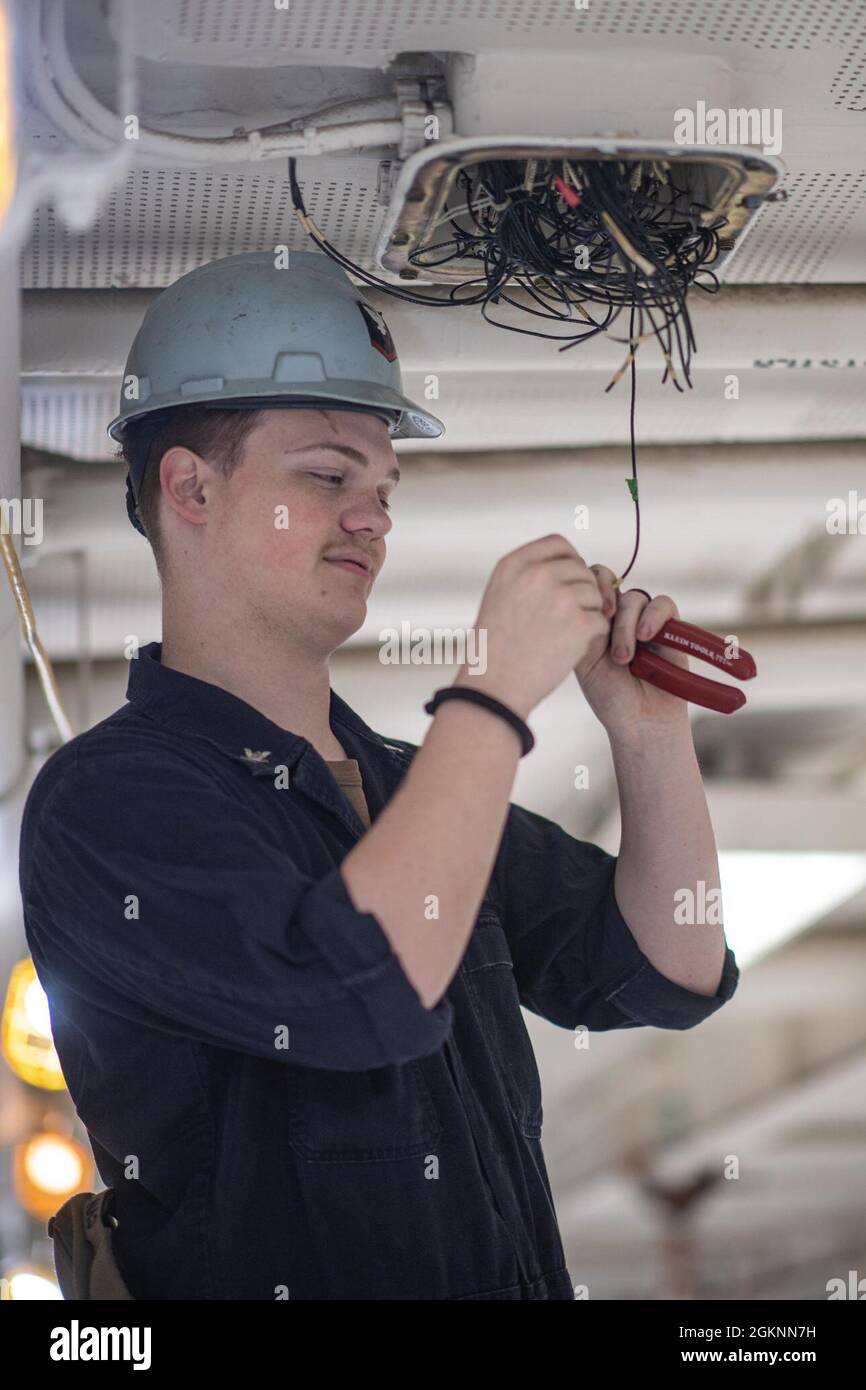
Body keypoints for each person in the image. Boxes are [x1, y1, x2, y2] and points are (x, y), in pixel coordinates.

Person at [19, 251, 739, 1301]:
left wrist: (646, 735)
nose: (373, 517)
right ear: (191, 488)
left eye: (383, 488)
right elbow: (361, 992)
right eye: (326, 476)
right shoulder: (106, 805)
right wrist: (490, 695)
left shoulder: (408, 788)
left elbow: (667, 964)